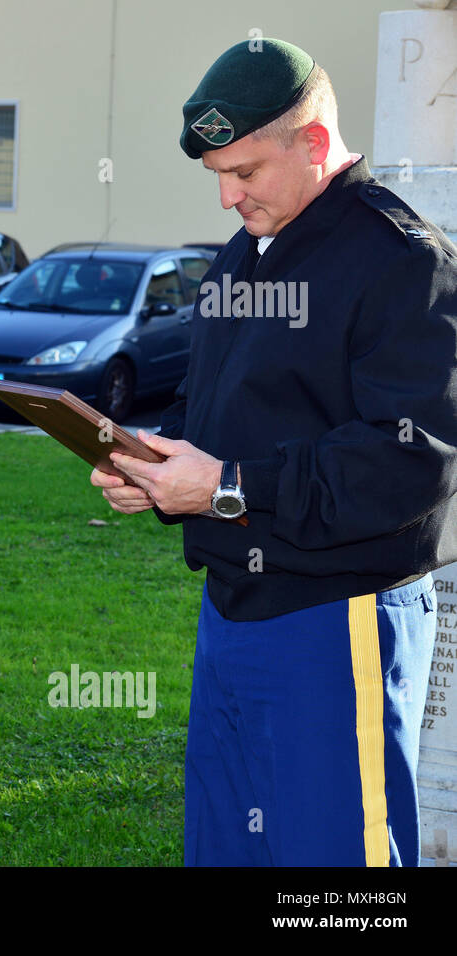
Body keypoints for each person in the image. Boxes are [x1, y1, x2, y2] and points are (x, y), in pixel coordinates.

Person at [91, 38, 457, 866]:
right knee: (228, 850)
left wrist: (222, 488)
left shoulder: (403, 261)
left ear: (316, 144)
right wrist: (154, 467)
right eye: (216, 174)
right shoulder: (250, 249)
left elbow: (411, 462)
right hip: (231, 606)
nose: (226, 197)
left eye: (245, 172)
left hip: (337, 617)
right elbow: (212, 404)